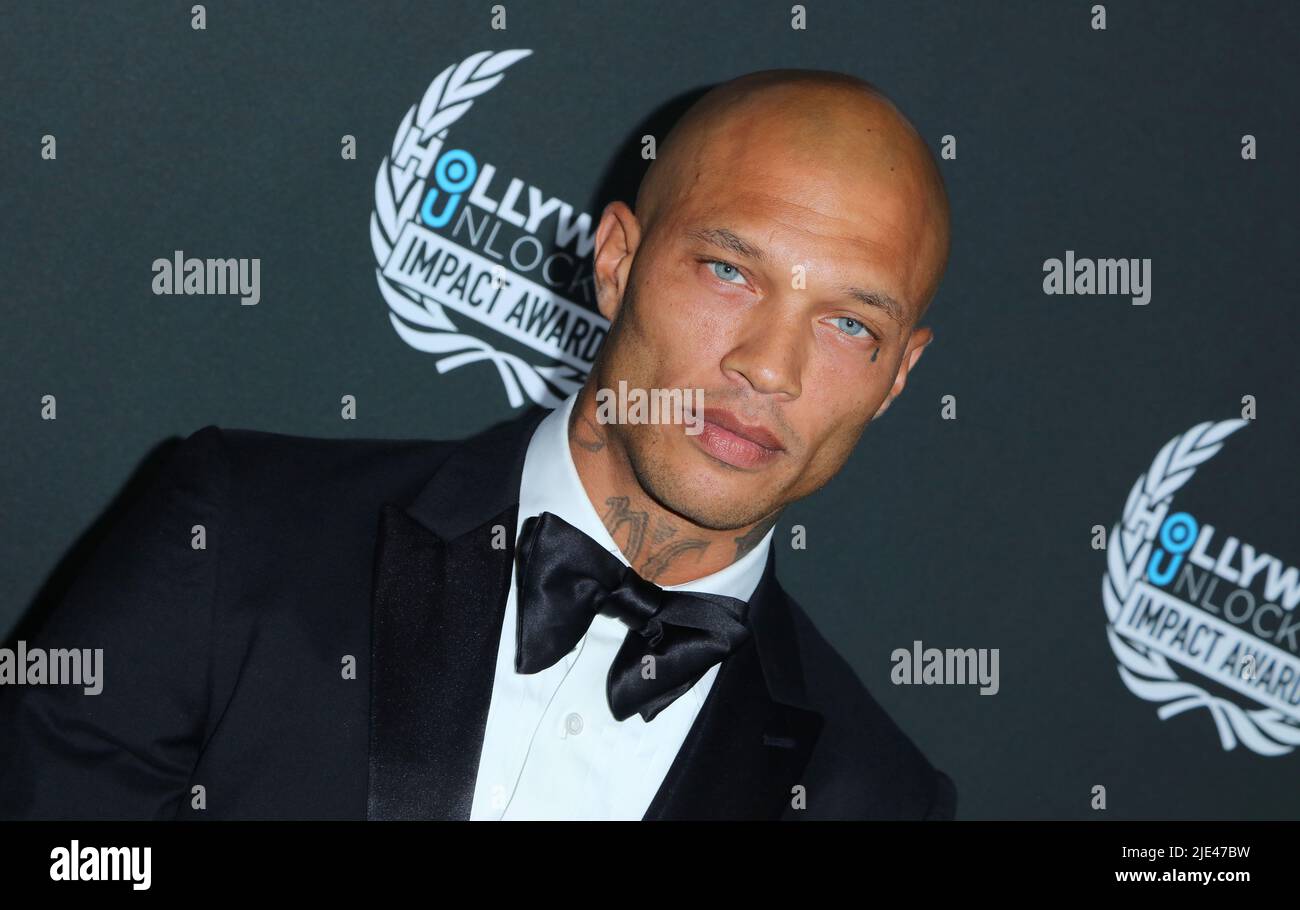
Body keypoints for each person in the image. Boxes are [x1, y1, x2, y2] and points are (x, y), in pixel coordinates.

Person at [0, 67, 954, 820]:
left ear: (898, 376)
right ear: (617, 263)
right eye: (728, 271)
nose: (770, 367)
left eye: (850, 326)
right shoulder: (235, 533)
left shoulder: (878, 796)